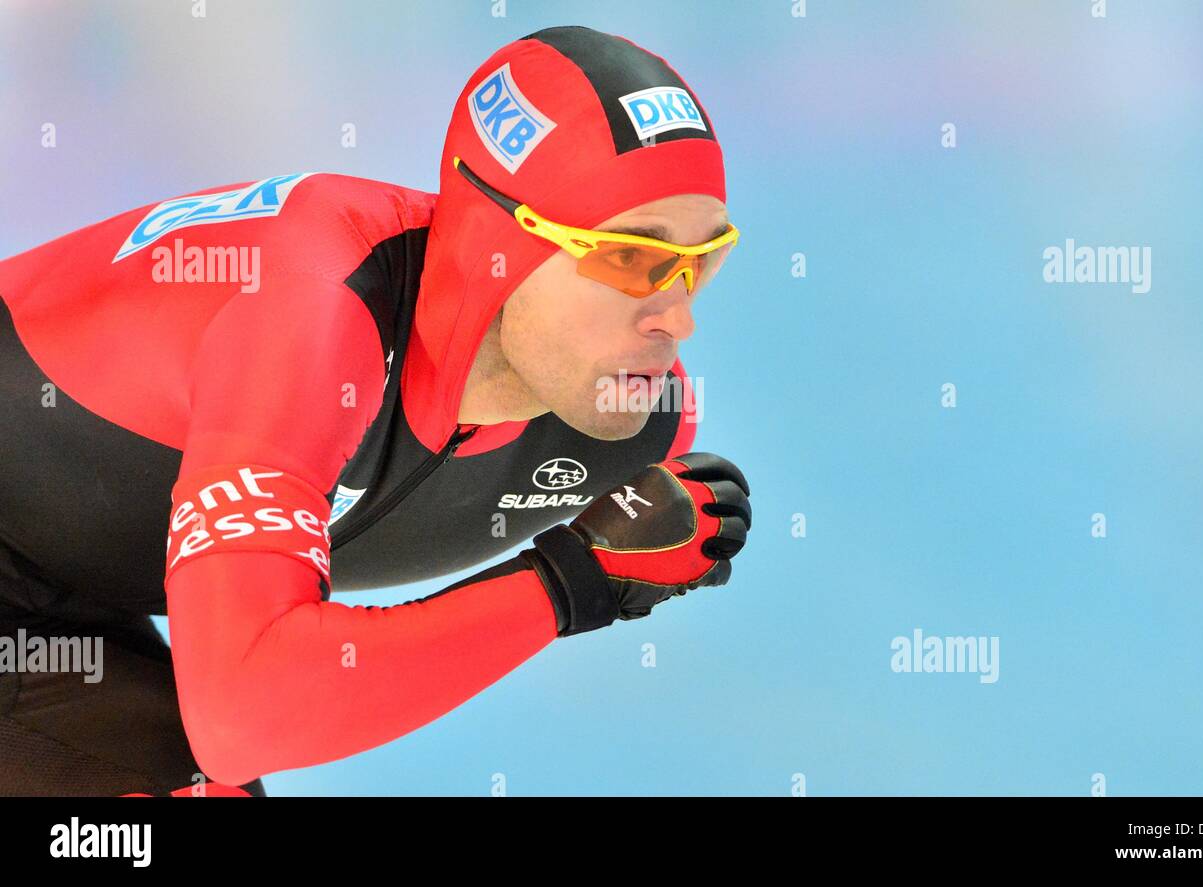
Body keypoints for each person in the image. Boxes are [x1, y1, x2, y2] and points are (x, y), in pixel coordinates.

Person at [0, 25, 751, 796]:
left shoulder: (638, 426)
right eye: (631, 256)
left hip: (60, 615)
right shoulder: (317, 309)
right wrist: (567, 583)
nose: (676, 315)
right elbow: (243, 711)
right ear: (502, 237)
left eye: (702, 261)